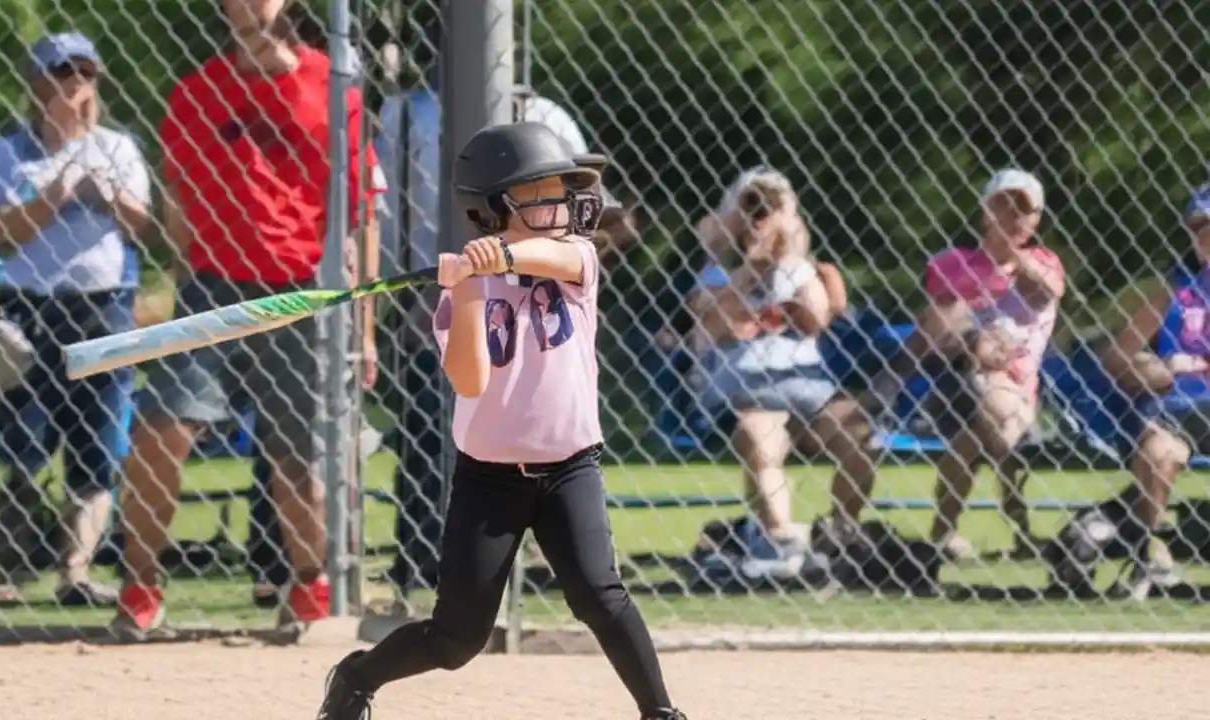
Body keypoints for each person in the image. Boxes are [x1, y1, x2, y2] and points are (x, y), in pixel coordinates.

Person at [315, 122, 685, 720]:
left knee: (599, 594)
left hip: (571, 467)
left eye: (564, 189)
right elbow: (470, 380)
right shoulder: (466, 287)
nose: (565, 201)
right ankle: (357, 677)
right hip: (489, 481)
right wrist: (467, 289)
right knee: (456, 639)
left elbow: (556, 256)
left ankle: (661, 714)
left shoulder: (576, 261)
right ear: (494, 208)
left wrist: (505, 255)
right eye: (544, 192)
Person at [112, 0, 384, 637]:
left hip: (302, 291)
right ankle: (140, 587)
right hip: (210, 288)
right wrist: (180, 296)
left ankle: (311, 587)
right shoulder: (194, 94)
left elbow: (363, 214)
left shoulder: (333, 88)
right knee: (159, 436)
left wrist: (365, 328)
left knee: (300, 459)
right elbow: (180, 209)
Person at [0, 33, 151, 606]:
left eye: (86, 73)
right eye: (63, 71)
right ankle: (8, 571)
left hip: (102, 304)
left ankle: (75, 572)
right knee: (26, 433)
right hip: (29, 304)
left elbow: (143, 227)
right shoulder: (10, 154)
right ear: (38, 82)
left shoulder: (117, 147)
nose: (77, 82)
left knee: (97, 437)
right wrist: (54, 197)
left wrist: (109, 195)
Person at [857, 169, 1063, 559]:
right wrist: (973, 341)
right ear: (986, 211)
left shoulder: (1045, 261)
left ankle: (943, 536)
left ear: (1037, 218)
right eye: (1004, 206)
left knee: (973, 438)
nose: (1014, 218)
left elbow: (1045, 292)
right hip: (956, 377)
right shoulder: (955, 263)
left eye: (1025, 210)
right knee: (990, 408)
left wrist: (1013, 257)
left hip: (1016, 384)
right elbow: (936, 326)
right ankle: (1019, 524)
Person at [689, 167, 874, 567]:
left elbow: (818, 317)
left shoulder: (801, 270)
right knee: (758, 438)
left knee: (861, 433)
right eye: (751, 208)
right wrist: (753, 267)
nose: (761, 218)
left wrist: (788, 258)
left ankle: (839, 532)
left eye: (770, 209)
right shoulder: (715, 272)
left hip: (809, 389)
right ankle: (781, 541)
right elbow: (715, 322)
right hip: (746, 390)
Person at [1089, 184, 1210, 598]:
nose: (1206, 237)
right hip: (1178, 407)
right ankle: (1153, 556)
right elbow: (1116, 358)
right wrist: (1155, 368)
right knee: (1158, 454)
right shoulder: (1172, 290)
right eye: (1200, 228)